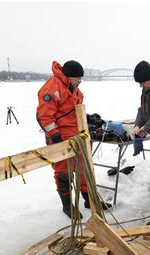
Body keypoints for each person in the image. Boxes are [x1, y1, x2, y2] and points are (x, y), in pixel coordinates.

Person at [36, 60, 101, 218]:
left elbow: (72, 112)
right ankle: (67, 206)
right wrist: (55, 137)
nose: (80, 81)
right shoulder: (53, 87)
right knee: (64, 173)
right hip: (60, 137)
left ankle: (89, 200)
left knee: (84, 170)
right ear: (69, 76)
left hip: (77, 136)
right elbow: (43, 116)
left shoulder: (75, 90)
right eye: (77, 78)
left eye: (81, 78)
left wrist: (89, 118)